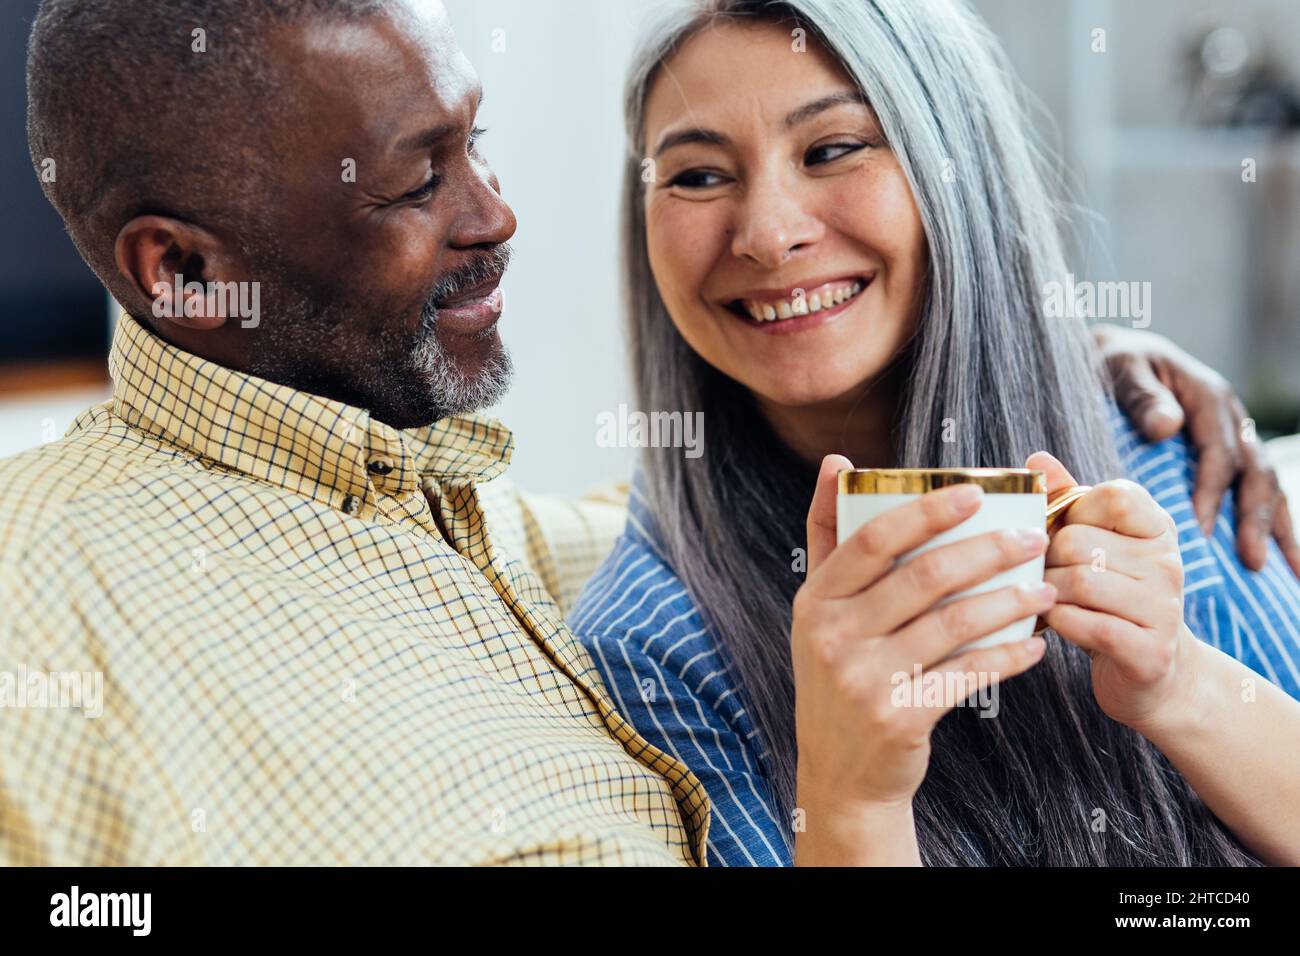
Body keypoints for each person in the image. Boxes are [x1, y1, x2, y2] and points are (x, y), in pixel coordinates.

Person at [571, 0, 1300, 867]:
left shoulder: (1151, 442)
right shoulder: (648, 642)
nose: (768, 235)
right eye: (696, 175)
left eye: (833, 149)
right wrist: (851, 797)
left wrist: (1179, 685)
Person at [0, 0, 709, 866]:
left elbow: (717, 536)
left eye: (474, 142)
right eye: (417, 185)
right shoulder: (36, 599)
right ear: (187, 273)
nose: (494, 218)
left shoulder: (458, 502)